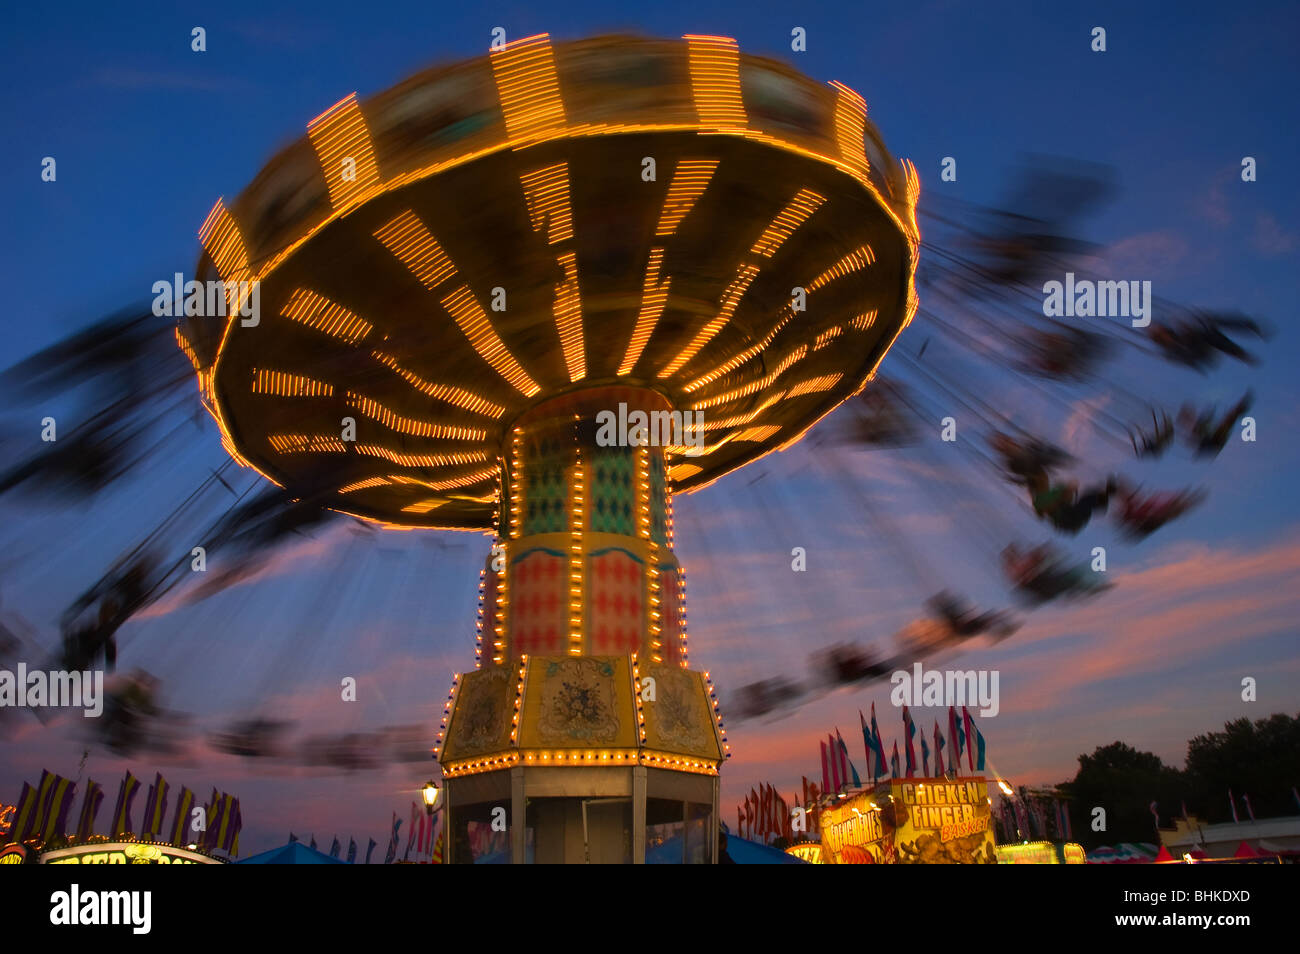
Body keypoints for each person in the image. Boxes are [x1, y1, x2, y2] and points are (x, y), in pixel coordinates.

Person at [1178, 391, 1253, 458]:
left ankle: (1240, 407)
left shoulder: (1218, 432)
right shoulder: (1217, 429)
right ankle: (1240, 407)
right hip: (1210, 439)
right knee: (1204, 426)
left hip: (1210, 440)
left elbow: (1201, 440)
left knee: (1203, 427)